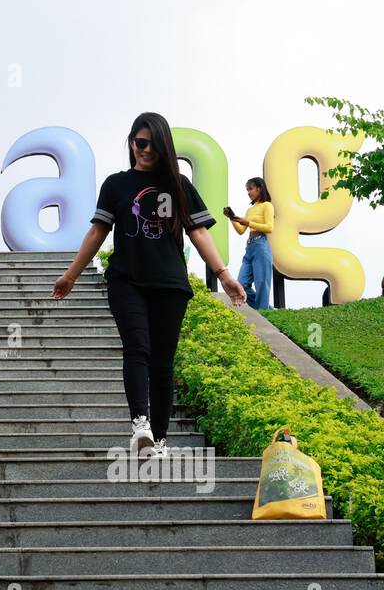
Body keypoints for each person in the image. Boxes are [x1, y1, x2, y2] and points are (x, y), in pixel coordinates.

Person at [52, 112, 246, 459]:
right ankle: (139, 423)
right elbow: (98, 231)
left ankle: (159, 440)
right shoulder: (116, 185)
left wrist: (224, 275)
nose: (146, 150)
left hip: (170, 283)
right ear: (131, 143)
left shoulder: (179, 185)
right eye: (140, 143)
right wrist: (71, 274)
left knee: (163, 362)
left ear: (164, 147)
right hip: (127, 279)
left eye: (153, 144)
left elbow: (199, 232)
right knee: (137, 347)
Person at [229, 177, 275, 310]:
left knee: (262, 283)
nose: (248, 192)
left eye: (250, 189)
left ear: (259, 188)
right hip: (249, 247)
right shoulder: (250, 210)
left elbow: (269, 228)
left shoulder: (267, 205)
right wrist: (232, 218)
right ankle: (267, 310)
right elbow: (241, 231)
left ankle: (264, 311)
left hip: (261, 244)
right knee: (241, 284)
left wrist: (249, 223)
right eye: (247, 190)